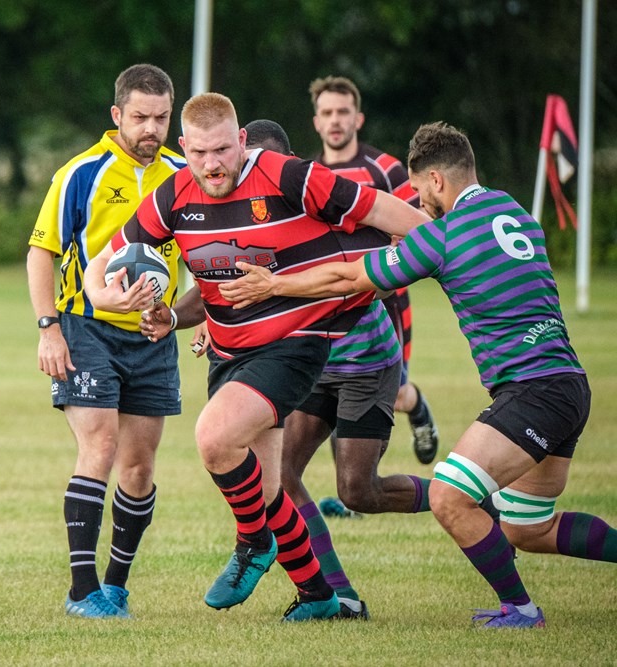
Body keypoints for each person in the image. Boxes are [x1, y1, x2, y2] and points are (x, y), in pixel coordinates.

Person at [220, 121, 615, 628]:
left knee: (451, 496)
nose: (419, 208)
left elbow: (349, 276)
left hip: (532, 391)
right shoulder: (512, 209)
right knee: (527, 528)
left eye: (420, 194)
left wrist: (274, 284)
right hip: (568, 384)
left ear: (435, 180)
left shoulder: (445, 236)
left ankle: (521, 610)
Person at [85, 93, 428, 622]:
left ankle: (252, 543)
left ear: (241, 140)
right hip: (228, 352)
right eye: (199, 153)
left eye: (223, 149)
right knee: (268, 490)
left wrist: (450, 246)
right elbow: (103, 265)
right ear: (185, 148)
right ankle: (319, 597)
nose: (212, 164)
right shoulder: (171, 197)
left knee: (215, 438)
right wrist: (112, 299)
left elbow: (379, 209)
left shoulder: (289, 176)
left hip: (294, 345)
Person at [25, 64, 186, 619]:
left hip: (152, 333)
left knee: (139, 466)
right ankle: (80, 591)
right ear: (117, 115)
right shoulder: (81, 174)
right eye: (140, 117)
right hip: (84, 327)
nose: (151, 128)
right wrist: (48, 327)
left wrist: (181, 316)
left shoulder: (184, 174)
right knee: (101, 446)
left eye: (162, 118)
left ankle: (115, 587)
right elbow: (40, 252)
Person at [310, 75, 440, 464]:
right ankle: (350, 498)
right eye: (327, 113)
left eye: (343, 112)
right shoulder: (308, 174)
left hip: (387, 305)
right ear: (316, 121)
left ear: (358, 119)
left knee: (394, 392)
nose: (335, 120)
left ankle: (416, 407)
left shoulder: (385, 169)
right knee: (333, 392)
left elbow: (424, 226)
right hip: (330, 302)